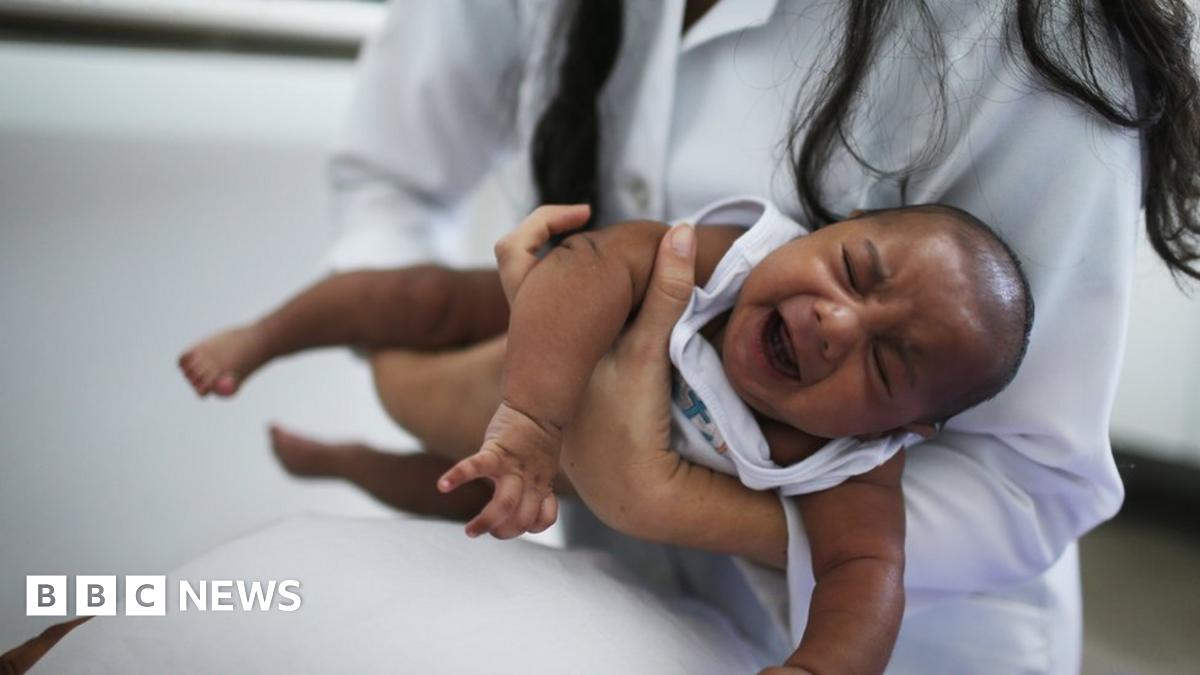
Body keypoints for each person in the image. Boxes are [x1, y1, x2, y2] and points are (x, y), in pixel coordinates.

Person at [232, 0, 1200, 672]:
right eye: (851, 272)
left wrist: (665, 499)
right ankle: (285, 364)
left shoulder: (854, 466)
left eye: (888, 358)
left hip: (926, 647)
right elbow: (397, 185)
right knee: (431, 450)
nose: (833, 322)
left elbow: (1015, 494)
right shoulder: (730, 255)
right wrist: (458, 397)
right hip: (581, 546)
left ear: (914, 426)